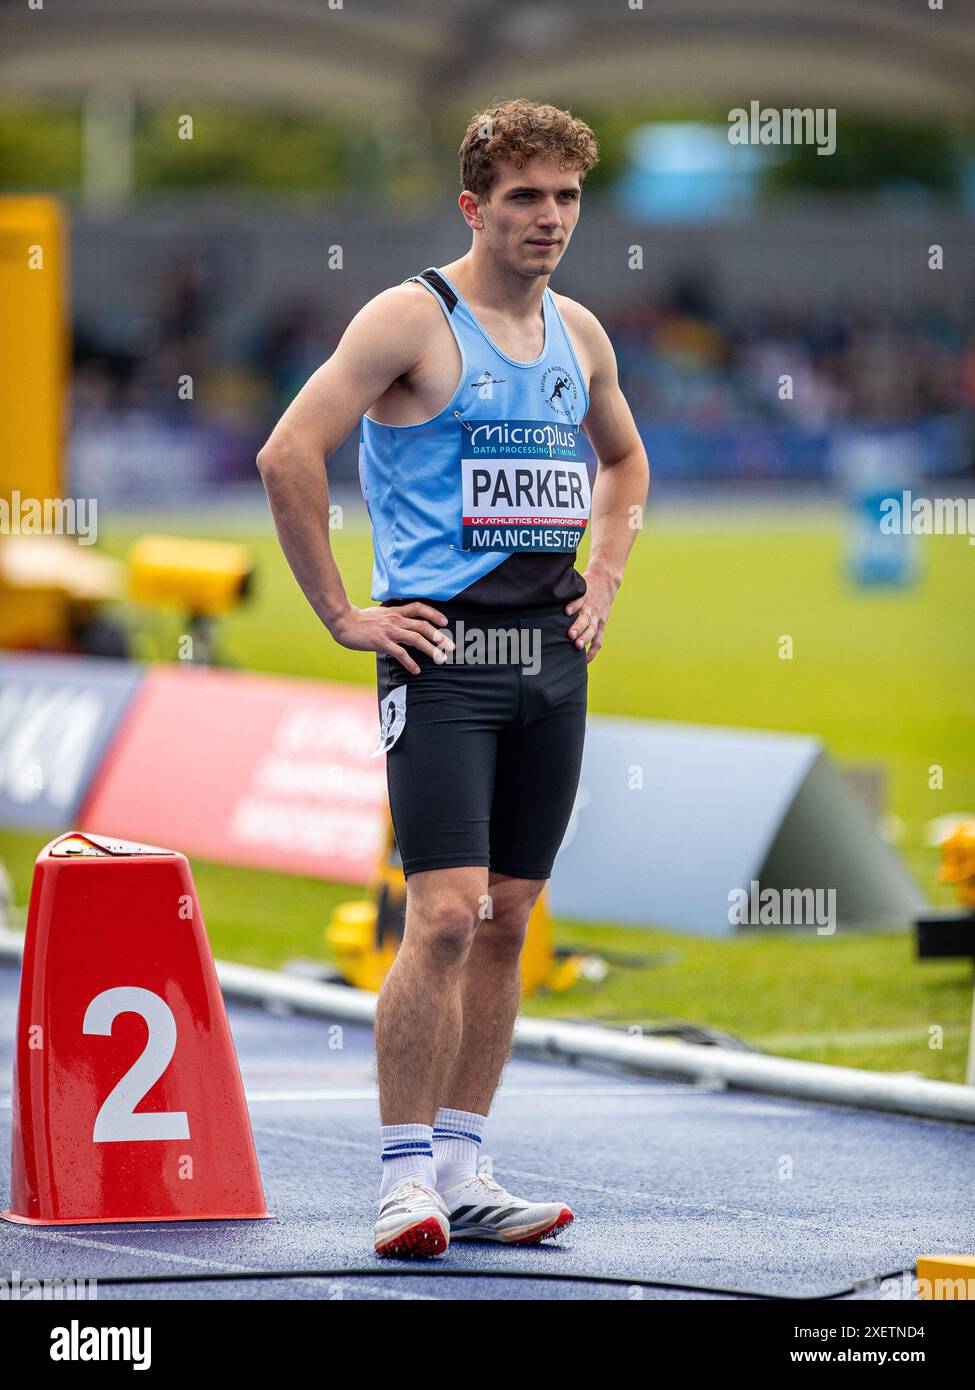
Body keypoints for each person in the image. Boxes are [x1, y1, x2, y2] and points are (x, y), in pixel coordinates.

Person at [257, 98, 649, 1258]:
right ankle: (400, 1178)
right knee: (440, 914)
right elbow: (288, 451)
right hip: (440, 656)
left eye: (567, 197)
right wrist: (340, 613)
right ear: (474, 206)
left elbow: (624, 462)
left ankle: (468, 1168)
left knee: (508, 918)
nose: (550, 218)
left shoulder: (581, 335)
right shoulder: (409, 318)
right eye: (525, 197)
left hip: (550, 655)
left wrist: (609, 576)